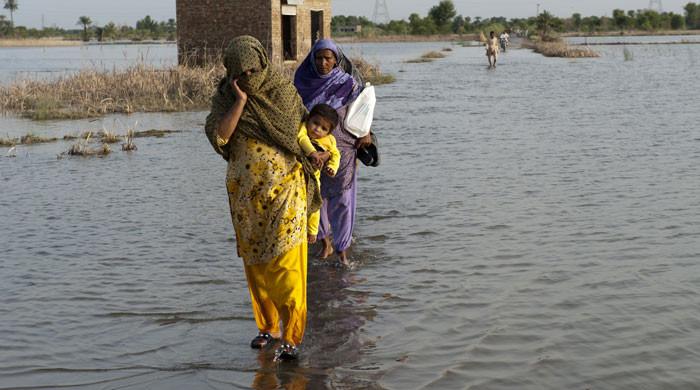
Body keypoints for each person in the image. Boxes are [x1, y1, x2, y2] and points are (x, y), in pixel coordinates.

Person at [204, 36, 322, 361]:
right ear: (231, 73)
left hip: (286, 193)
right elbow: (221, 137)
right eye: (241, 73)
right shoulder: (225, 98)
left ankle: (292, 336)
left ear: (263, 63)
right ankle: (268, 327)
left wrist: (317, 155)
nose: (249, 77)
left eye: (253, 69)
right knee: (257, 267)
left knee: (285, 266)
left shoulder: (282, 92)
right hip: (246, 201)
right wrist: (240, 101)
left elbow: (298, 133)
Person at [294, 39, 372, 267]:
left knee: (343, 200)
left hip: (344, 152)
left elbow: (362, 112)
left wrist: (366, 132)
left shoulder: (346, 83)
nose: (323, 62)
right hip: (311, 151)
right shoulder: (301, 82)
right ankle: (324, 241)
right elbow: (294, 117)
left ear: (336, 60)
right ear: (312, 59)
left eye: (328, 58)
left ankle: (343, 248)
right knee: (314, 196)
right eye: (318, 58)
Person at [297, 103, 341, 245]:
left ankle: (313, 231)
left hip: (315, 176)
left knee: (315, 204)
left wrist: (332, 168)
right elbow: (301, 139)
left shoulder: (329, 140)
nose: (317, 129)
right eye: (315, 123)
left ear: (329, 132)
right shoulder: (302, 128)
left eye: (323, 128)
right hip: (297, 173)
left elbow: (336, 154)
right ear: (309, 119)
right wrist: (313, 153)